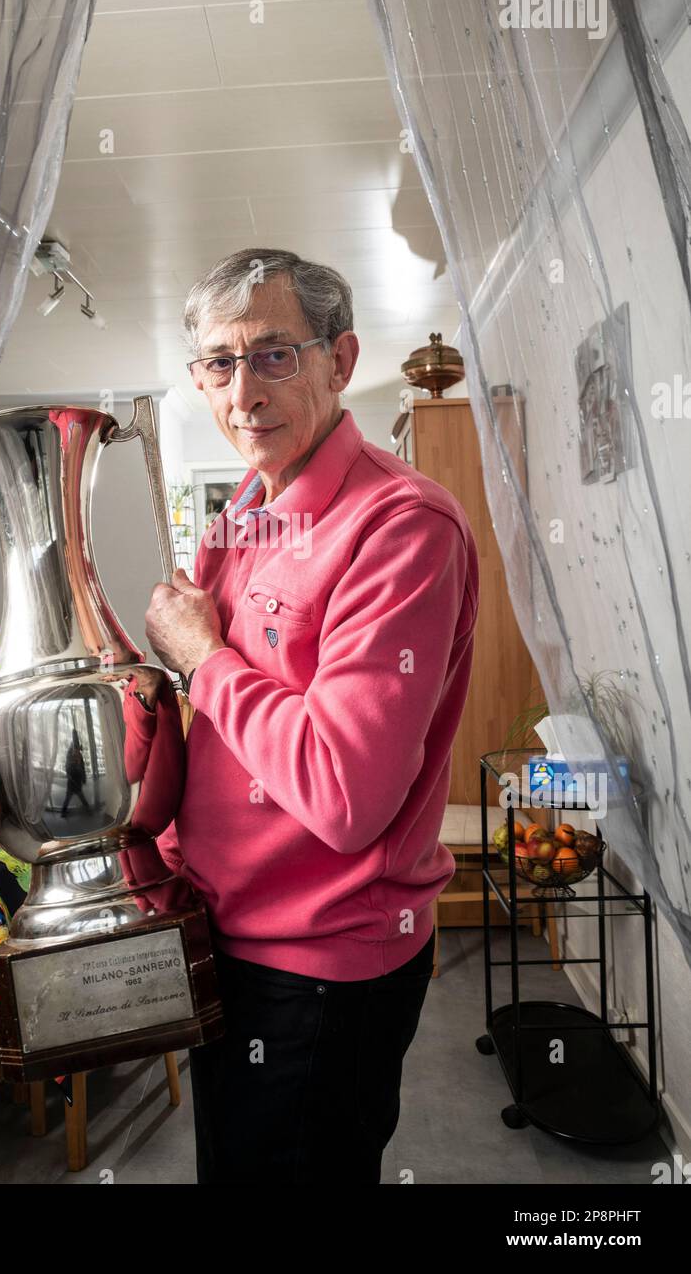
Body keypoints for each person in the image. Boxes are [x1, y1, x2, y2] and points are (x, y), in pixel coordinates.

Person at [145, 248, 479, 1185]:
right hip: (225, 937)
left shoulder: (403, 525)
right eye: (218, 361)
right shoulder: (241, 515)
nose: (242, 390)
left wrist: (203, 658)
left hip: (319, 972)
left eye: (273, 355)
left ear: (339, 359)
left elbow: (343, 792)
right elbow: (218, 730)